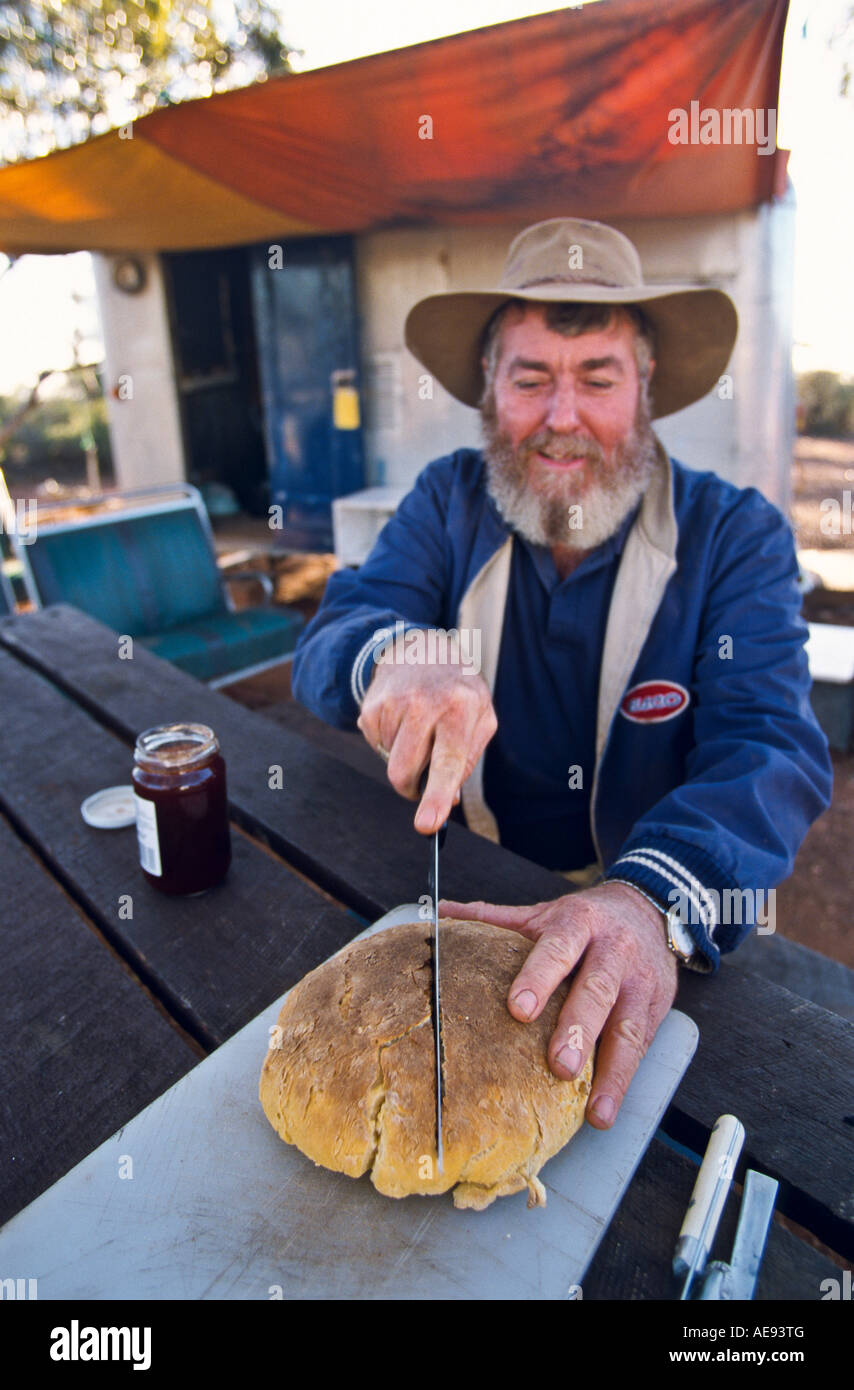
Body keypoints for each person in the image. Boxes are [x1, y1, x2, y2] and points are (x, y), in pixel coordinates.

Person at [292, 217, 832, 1132]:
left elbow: (769, 746)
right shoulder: (447, 498)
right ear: (489, 392)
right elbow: (334, 632)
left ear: (647, 386)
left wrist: (649, 899)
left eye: (597, 379)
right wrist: (393, 651)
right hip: (459, 878)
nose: (562, 418)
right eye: (531, 378)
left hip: (645, 905)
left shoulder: (735, 534)